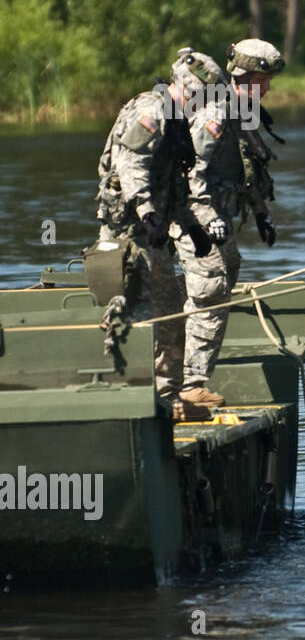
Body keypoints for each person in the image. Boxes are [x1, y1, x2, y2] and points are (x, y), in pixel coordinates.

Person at [92, 48, 223, 419]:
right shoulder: (153, 111)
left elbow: (173, 185)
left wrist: (192, 227)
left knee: (165, 315)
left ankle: (166, 397)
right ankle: (163, 400)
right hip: (130, 234)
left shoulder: (175, 119)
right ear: (192, 89)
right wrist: (148, 214)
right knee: (160, 317)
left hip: (150, 234)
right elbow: (130, 164)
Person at [177, 38, 284, 406]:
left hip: (217, 215)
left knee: (223, 274)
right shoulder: (215, 114)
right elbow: (192, 173)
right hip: (192, 218)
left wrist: (261, 214)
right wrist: (207, 219)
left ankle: (186, 379)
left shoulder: (242, 110)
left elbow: (249, 167)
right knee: (211, 284)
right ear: (245, 76)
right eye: (262, 79)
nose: (268, 87)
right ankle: (189, 385)